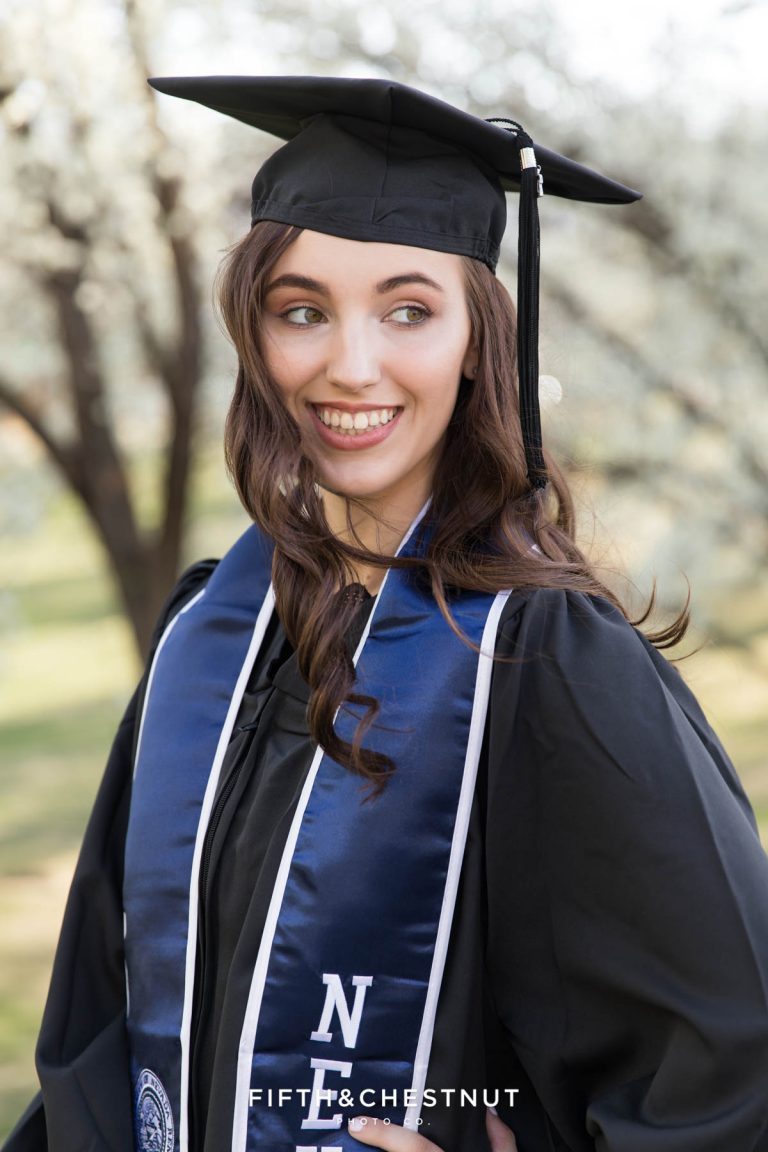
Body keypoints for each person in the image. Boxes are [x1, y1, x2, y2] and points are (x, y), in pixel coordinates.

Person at [4, 74, 768, 1152]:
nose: (347, 365)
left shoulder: (545, 666)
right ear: (255, 334)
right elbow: (96, 1040)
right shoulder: (209, 638)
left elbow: (726, 1080)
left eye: (408, 309)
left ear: (477, 340)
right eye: (301, 310)